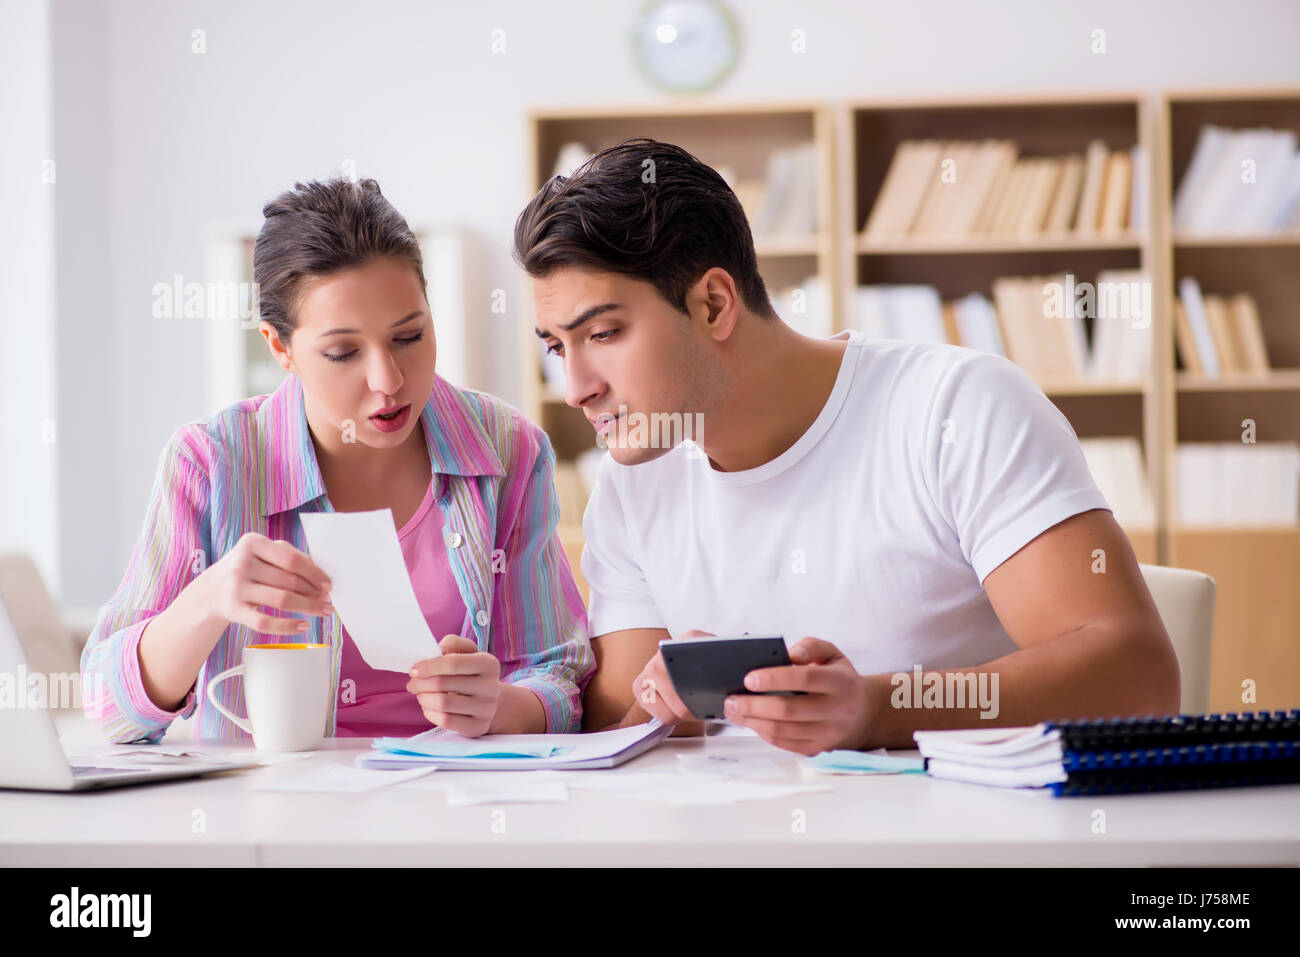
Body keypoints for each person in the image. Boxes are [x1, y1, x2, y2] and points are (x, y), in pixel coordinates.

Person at [513, 137, 1180, 756]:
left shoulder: (957, 409)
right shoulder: (632, 486)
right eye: (554, 347)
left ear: (714, 304)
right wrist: (669, 711)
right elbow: (620, 740)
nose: (575, 388)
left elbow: (1139, 674)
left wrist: (878, 708)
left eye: (601, 333)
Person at [83, 177, 593, 744]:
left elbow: (561, 676)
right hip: (268, 813)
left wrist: (504, 705)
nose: (388, 381)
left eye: (409, 336)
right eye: (343, 352)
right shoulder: (210, 464)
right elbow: (107, 711)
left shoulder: (509, 449)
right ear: (280, 348)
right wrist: (205, 602)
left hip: (452, 801)